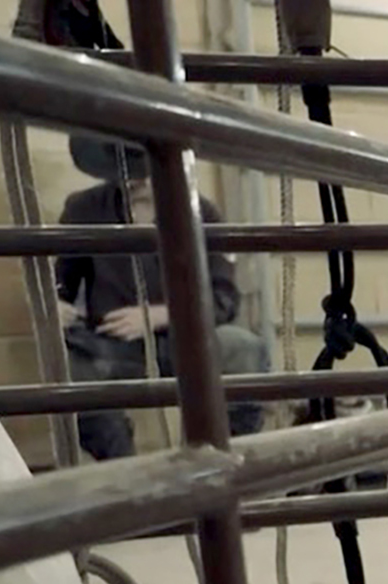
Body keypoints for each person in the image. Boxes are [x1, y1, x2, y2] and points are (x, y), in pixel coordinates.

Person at [57, 139, 268, 460]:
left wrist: (159, 315)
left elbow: (224, 299)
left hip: (186, 335)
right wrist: (56, 306)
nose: (132, 177)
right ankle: (127, 478)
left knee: (245, 350)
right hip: (112, 342)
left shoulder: (201, 212)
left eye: (141, 165)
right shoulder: (83, 209)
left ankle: (225, 460)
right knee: (76, 372)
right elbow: (63, 284)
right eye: (123, 165)